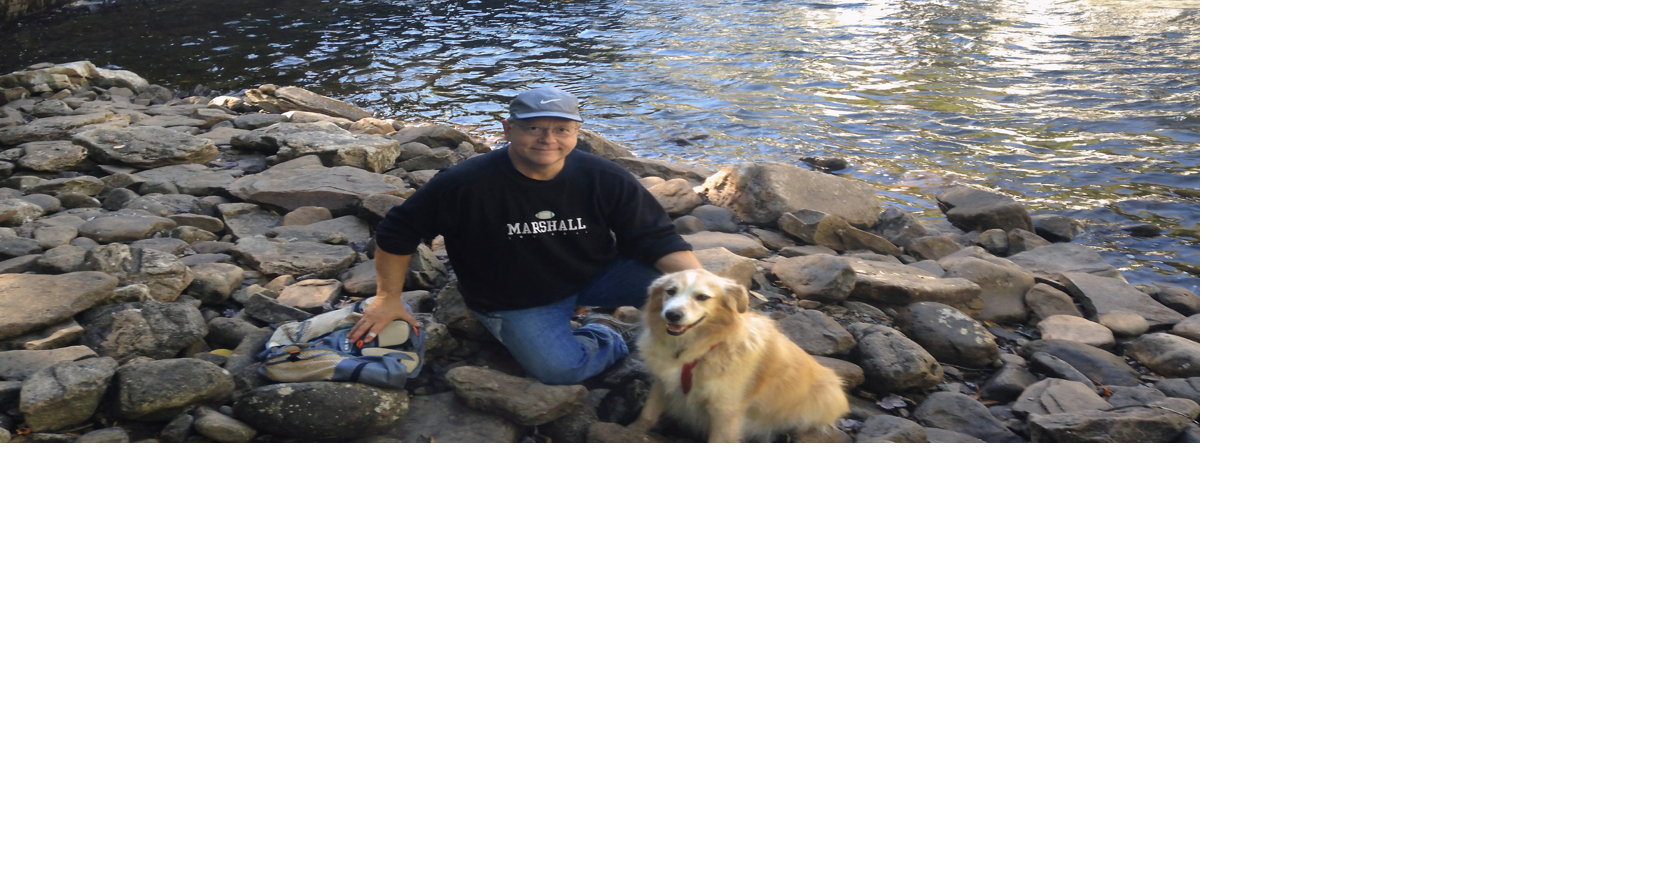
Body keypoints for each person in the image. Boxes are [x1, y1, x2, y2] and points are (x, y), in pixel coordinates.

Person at [350, 86, 701, 384]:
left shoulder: (605, 176)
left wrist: (702, 285)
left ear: (577, 131)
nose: (547, 139)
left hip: (597, 274)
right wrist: (387, 300)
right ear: (507, 129)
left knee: (682, 288)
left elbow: (654, 238)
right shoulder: (465, 183)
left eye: (561, 130)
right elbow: (397, 231)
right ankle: (606, 334)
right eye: (533, 128)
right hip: (517, 297)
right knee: (560, 369)